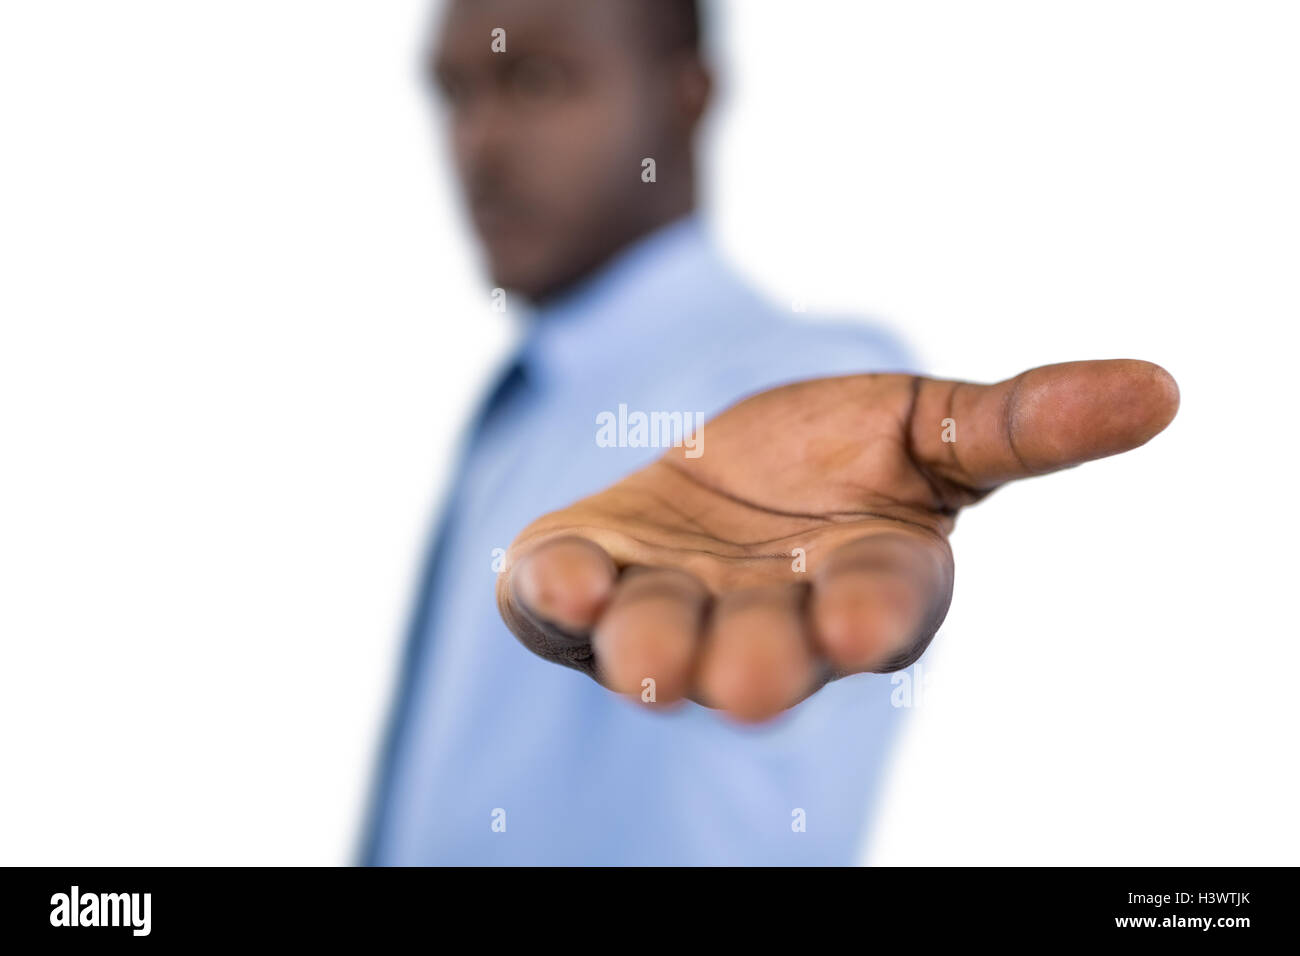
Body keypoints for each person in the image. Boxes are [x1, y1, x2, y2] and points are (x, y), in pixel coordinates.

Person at [357, 0, 1178, 865]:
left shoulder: (792, 382)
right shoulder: (517, 410)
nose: (478, 145)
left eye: (539, 79)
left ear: (688, 94)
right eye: (454, 91)